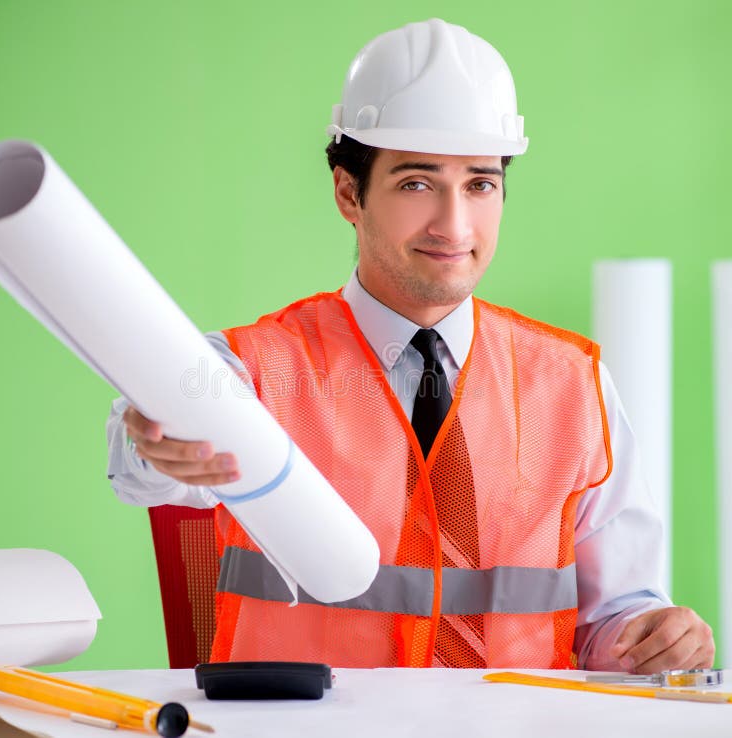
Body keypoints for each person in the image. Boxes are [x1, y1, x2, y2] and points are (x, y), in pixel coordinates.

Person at [107, 18, 714, 671]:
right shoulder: (256, 369)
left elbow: (613, 620)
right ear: (350, 193)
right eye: (417, 184)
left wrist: (652, 640)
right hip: (307, 719)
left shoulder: (571, 386)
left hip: (516, 720)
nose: (454, 225)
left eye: (480, 184)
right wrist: (159, 436)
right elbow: (141, 449)